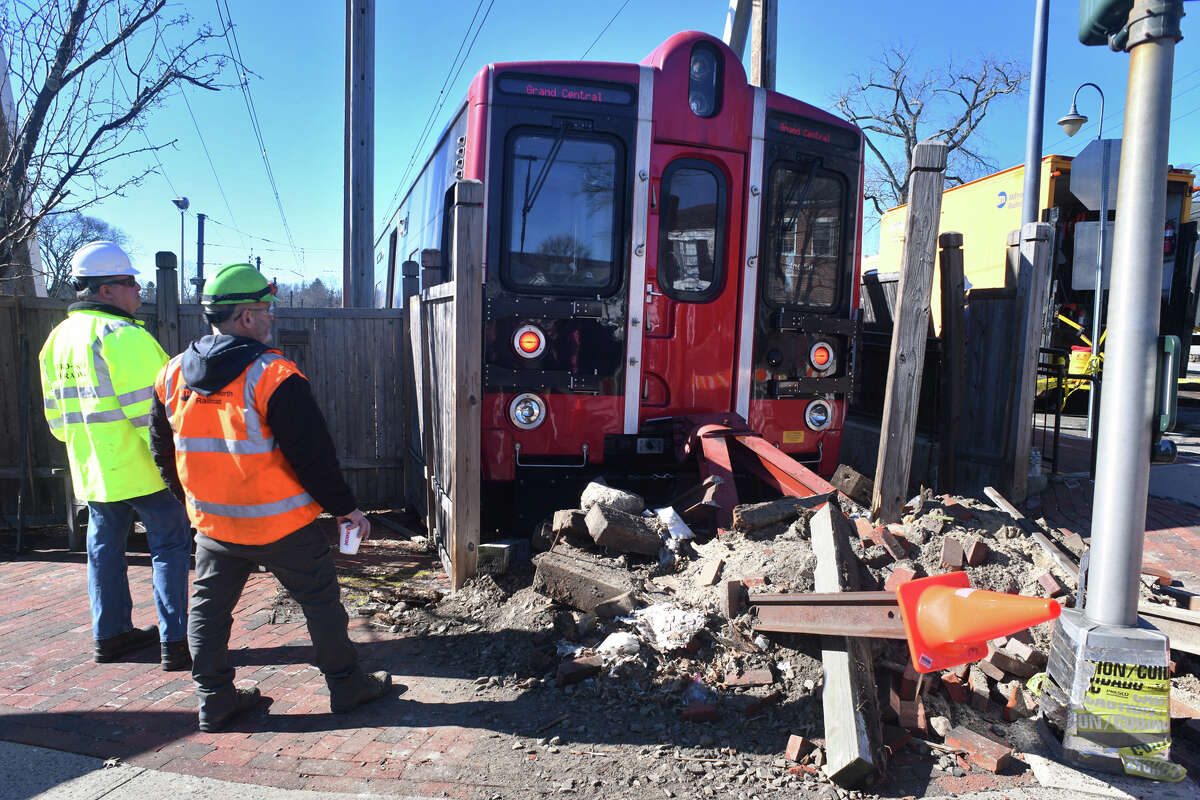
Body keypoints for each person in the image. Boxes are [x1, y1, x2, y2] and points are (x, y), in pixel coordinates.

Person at [149, 262, 391, 732]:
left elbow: (162, 448)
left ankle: (214, 700)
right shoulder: (274, 375)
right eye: (265, 308)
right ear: (244, 317)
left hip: (214, 527)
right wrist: (345, 509)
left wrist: (189, 503)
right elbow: (313, 456)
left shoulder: (172, 374)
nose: (270, 317)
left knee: (209, 611)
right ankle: (346, 686)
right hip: (282, 526)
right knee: (320, 603)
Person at [38, 241, 192, 671]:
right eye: (129, 281)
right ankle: (176, 642)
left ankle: (111, 636)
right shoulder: (122, 336)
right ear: (107, 290)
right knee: (170, 545)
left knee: (103, 548)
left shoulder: (56, 340)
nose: (138, 289)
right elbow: (158, 414)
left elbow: (56, 419)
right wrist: (179, 467)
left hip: (95, 469)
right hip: (146, 469)